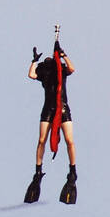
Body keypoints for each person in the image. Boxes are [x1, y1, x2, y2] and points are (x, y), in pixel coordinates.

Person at [25, 42, 77, 202]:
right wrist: (34, 61)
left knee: (69, 140)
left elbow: (72, 69)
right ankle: (38, 171)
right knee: (42, 140)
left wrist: (63, 55)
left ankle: (72, 171)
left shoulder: (61, 69)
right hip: (48, 108)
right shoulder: (44, 71)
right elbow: (31, 75)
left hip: (62, 108)